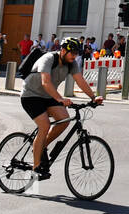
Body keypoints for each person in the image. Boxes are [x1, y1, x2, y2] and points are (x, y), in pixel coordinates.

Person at [20, 37, 101, 180]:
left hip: (48, 96)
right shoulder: (48, 59)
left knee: (64, 120)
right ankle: (36, 166)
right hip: (31, 95)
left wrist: (93, 98)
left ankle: (40, 146)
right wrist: (60, 99)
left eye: (76, 53)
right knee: (44, 126)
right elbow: (45, 82)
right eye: (72, 53)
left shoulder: (71, 63)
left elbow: (80, 80)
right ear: (63, 50)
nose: (74, 56)